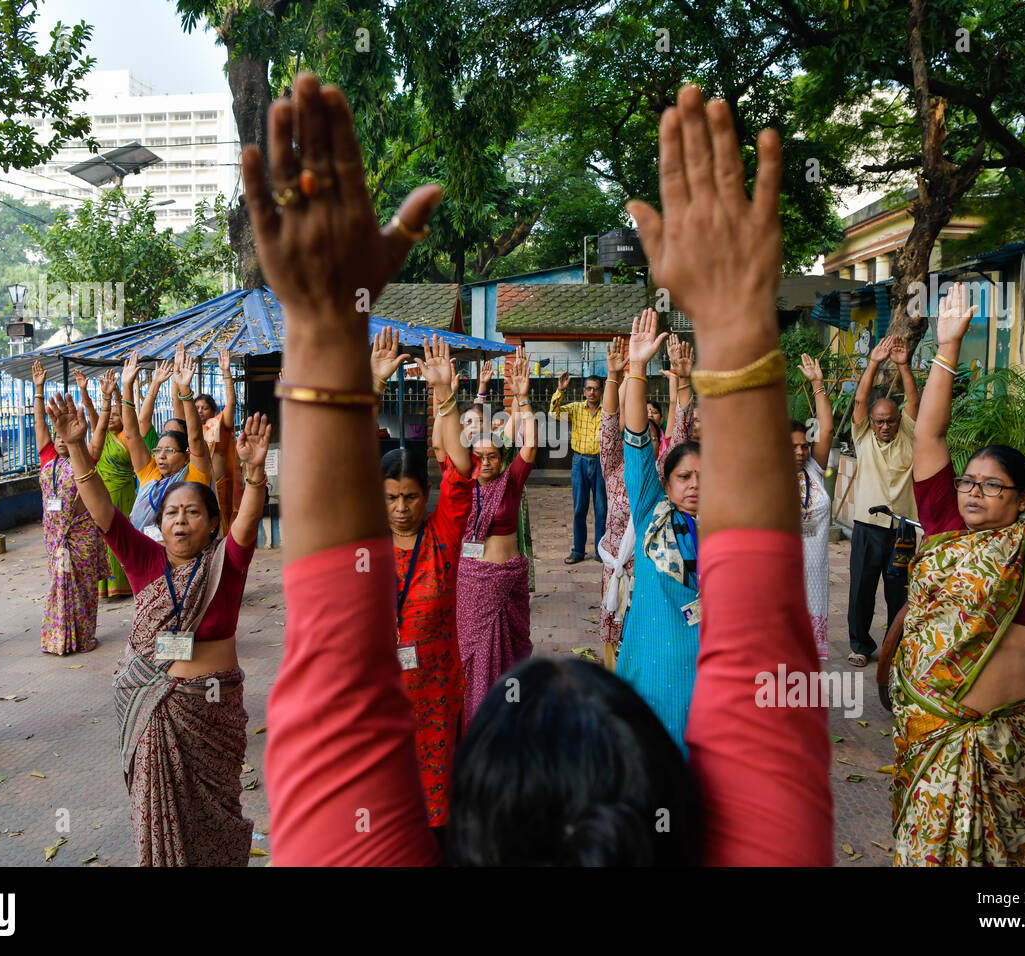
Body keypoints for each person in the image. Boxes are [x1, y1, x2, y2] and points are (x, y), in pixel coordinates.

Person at [258, 78, 829, 866]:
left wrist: (324, 326)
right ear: (691, 813)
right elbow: (766, 629)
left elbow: (334, 678)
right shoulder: (471, 481)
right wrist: (732, 320)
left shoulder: (488, 484)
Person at [893, 282, 1025, 867]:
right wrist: (947, 347)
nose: (974, 491)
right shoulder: (945, 528)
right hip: (933, 739)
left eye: (992, 484)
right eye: (968, 481)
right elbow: (928, 436)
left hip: (1012, 750)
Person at [47, 391, 271, 866]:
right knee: (159, 817)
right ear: (160, 521)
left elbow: (247, 523)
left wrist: (253, 475)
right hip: (151, 710)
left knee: (218, 813)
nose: (181, 520)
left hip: (211, 711)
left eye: (193, 512)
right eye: (171, 512)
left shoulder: (225, 563)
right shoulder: (144, 559)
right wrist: (76, 447)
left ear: (212, 524)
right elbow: (104, 513)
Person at [370, 328, 474, 826]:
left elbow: (460, 466)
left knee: (436, 814)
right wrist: (372, 386)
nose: (402, 508)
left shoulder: (444, 534)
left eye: (410, 496)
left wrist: (443, 395)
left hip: (436, 693)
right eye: (391, 498)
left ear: (426, 494)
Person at [614, 310, 703, 755]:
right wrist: (636, 368)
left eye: (703, 477)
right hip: (652, 669)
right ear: (665, 483)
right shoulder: (651, 510)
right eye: (684, 477)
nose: (694, 485)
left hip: (705, 679)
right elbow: (635, 437)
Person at [598, 330, 694, 672]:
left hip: (651, 576)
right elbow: (609, 425)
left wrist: (683, 382)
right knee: (614, 655)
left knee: (647, 651)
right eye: (640, 435)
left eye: (654, 437)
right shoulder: (614, 466)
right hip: (615, 569)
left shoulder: (660, 481)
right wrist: (613, 377)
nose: (646, 440)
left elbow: (681, 432)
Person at [456, 348, 538, 724]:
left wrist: (523, 397)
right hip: (473, 582)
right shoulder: (460, 486)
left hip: (507, 579)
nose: (486, 461)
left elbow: (530, 446)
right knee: (474, 653)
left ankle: (510, 712)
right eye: (480, 455)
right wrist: (447, 395)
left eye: (492, 456)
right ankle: (474, 715)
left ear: (500, 457)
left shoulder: (511, 483)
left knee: (508, 652)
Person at [847, 332, 920, 667]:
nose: (886, 426)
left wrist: (903, 366)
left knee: (898, 593)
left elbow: (914, 404)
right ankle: (860, 646)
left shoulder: (907, 433)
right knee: (861, 590)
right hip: (867, 527)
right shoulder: (863, 437)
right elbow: (860, 402)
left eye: (891, 420)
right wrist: (874, 362)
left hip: (903, 530)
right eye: (880, 422)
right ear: (871, 424)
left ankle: (895, 647)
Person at [32, 361, 108, 656]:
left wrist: (102, 401)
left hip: (82, 537)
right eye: (58, 437)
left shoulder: (85, 457)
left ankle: (85, 635)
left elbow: (100, 431)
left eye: (68, 437)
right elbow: (41, 426)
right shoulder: (47, 458)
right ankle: (59, 636)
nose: (62, 441)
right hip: (55, 538)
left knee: (85, 588)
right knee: (58, 585)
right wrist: (39, 391)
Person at [119, 347, 214, 541]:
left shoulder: (195, 475)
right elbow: (132, 435)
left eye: (169, 451)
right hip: (147, 553)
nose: (160, 456)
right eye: (158, 450)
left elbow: (195, 437)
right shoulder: (150, 474)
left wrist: (185, 391)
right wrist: (126, 388)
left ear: (187, 454)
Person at [89, 362, 162, 599]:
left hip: (126, 493)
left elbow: (136, 422)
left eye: (116, 415)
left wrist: (124, 391)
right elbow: (94, 418)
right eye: (108, 416)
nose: (111, 419)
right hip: (103, 491)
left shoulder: (128, 437)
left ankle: (128, 581)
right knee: (104, 537)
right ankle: (107, 586)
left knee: (125, 536)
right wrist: (99, 396)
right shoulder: (101, 438)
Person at [464, 355, 536, 591]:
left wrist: (520, 396)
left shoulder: (502, 444)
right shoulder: (469, 456)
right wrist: (482, 387)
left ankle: (517, 581)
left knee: (517, 539)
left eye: (497, 424)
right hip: (472, 565)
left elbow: (517, 418)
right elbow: (475, 418)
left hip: (507, 505)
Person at [794, 354, 834, 661]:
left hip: (815, 572)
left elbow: (827, 431)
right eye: (792, 446)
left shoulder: (813, 469)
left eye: (804, 445)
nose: (800, 451)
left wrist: (818, 385)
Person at [550, 369, 605, 565]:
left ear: (601, 391)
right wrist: (560, 391)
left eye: (596, 389)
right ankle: (578, 551)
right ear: (583, 391)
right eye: (589, 389)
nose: (592, 393)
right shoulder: (575, 408)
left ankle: (601, 552)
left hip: (600, 462)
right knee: (579, 508)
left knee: (601, 509)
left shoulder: (607, 410)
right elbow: (554, 413)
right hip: (579, 461)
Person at [197, 347, 243, 536]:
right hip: (199, 483)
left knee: (223, 528)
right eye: (197, 407)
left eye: (205, 408)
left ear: (213, 410)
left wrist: (226, 374)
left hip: (221, 483)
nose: (200, 411)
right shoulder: (192, 431)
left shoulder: (219, 424)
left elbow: (231, 404)